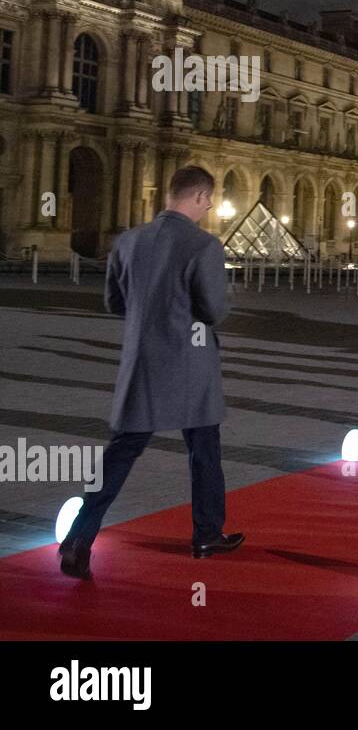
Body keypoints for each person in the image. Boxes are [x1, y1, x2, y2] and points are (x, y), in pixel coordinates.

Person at [58, 166, 243, 579]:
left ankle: (77, 540)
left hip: (142, 364)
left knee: (120, 454)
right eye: (209, 199)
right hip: (191, 367)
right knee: (204, 453)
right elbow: (214, 310)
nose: (211, 206)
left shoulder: (128, 241)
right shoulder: (204, 246)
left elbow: (115, 304)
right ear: (197, 197)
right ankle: (206, 536)